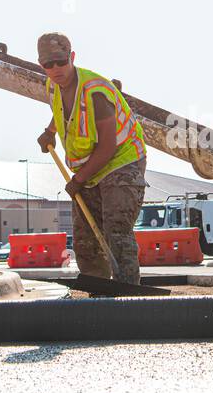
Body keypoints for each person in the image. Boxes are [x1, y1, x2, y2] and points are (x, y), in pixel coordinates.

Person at [35, 33, 147, 284]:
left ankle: (127, 291)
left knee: (116, 232)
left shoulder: (95, 91)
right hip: (89, 167)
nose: (55, 69)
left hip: (120, 161)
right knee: (85, 239)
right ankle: (97, 294)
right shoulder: (53, 85)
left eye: (60, 61)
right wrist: (50, 131)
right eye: (47, 64)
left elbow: (108, 147)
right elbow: (63, 110)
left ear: (72, 57)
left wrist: (79, 180)